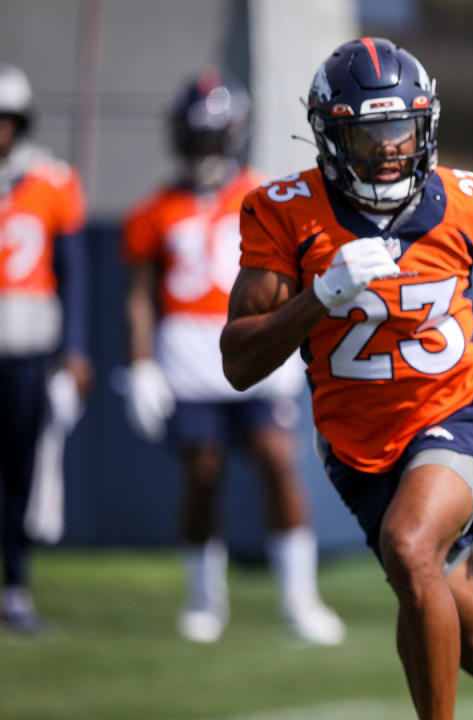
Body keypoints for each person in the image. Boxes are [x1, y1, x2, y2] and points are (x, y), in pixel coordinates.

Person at [219, 38, 473, 719]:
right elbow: (238, 361)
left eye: (398, 128)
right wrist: (318, 297)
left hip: (457, 416)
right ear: (329, 135)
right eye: (367, 132)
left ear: (425, 124)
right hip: (358, 450)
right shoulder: (286, 211)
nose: (386, 148)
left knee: (411, 550)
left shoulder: (464, 202)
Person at [121, 70, 344, 645]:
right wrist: (142, 363)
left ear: (233, 135)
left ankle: (299, 597)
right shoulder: (155, 210)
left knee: (276, 459)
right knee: (202, 471)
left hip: (257, 339)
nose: (204, 148)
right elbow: (139, 296)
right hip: (188, 354)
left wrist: (298, 342)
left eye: (212, 136)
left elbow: (296, 275)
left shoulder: (265, 196)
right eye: (197, 137)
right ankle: (203, 598)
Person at [0, 63, 91, 633]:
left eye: (6, 120)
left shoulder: (52, 179)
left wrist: (75, 348)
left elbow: (74, 272)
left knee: (21, 471)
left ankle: (15, 585)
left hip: (29, 345)